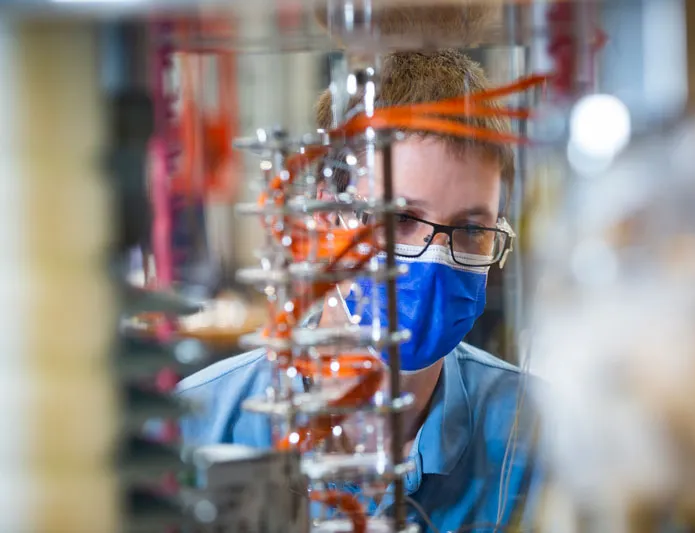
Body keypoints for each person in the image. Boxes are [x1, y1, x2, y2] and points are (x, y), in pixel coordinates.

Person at [178, 50, 541, 532]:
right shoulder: (200, 423)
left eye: (470, 229)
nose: (434, 258)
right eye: (399, 219)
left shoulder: (535, 432)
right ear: (327, 221)